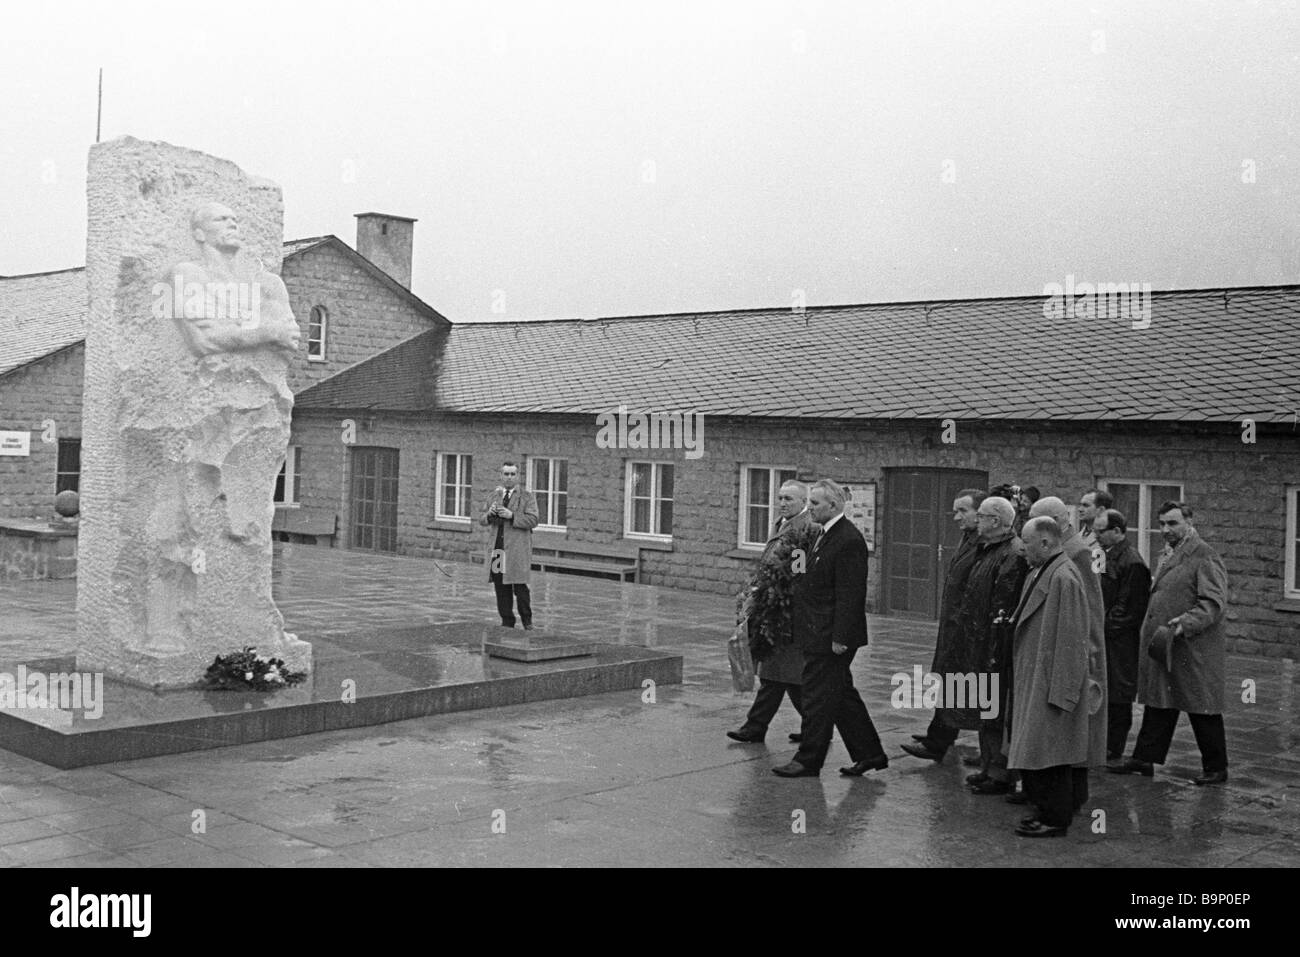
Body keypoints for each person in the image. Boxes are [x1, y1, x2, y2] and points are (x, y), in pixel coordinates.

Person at [773, 480, 888, 778]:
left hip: (830, 636)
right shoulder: (823, 534)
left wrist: (841, 638)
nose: (809, 508)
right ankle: (870, 754)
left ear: (833, 506)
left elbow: (851, 594)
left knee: (816, 697)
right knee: (841, 696)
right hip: (816, 629)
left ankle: (808, 760)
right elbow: (810, 575)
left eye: (814, 504)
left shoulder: (847, 539)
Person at [1110, 502, 1230, 785]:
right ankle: (1144, 757)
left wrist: (1185, 623)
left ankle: (1216, 767)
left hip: (1192, 648)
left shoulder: (1204, 556)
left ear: (1189, 521)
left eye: (1173, 523)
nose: (1165, 530)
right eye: (1162, 523)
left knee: (1202, 707)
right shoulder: (1170, 553)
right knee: (1159, 700)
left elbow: (1213, 604)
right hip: (1167, 644)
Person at [1007, 517, 1093, 838]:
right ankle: (1046, 810)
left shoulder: (1064, 578)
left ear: (1045, 543)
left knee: (1052, 754)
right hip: (1038, 675)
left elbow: (1072, 641)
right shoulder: (1043, 571)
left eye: (1026, 543)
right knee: (1041, 751)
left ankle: (1055, 819)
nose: (1021, 549)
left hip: (1052, 681)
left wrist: (1064, 693)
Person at [1027, 496, 1106, 811]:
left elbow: (1089, 612)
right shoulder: (1065, 550)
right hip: (1065, 650)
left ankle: (1071, 796)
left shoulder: (1076, 554)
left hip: (1078, 654)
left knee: (1071, 729)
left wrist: (1089, 657)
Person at [901, 488, 986, 762]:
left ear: (980, 513)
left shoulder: (983, 543)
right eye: (955, 511)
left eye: (963, 511)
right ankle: (938, 734)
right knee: (947, 680)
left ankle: (939, 741)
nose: (956, 517)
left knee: (958, 684)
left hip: (965, 627)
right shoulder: (969, 538)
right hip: (953, 624)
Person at [728, 480, 813, 744]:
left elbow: (799, 574)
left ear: (803, 503)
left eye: (789, 499)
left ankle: (757, 726)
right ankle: (812, 727)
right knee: (783, 675)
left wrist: (774, 595)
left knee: (779, 672)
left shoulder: (803, 530)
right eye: (780, 498)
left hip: (786, 613)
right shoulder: (782, 524)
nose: (783, 503)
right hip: (773, 608)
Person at [957, 496, 1029, 795]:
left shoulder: (1010, 554)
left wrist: (993, 648)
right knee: (986, 710)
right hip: (979, 642)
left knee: (995, 712)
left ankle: (999, 772)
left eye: (982, 516)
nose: (977, 520)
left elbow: (1002, 605)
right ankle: (988, 766)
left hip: (993, 647)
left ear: (996, 521)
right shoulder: (989, 550)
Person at [1094, 508, 1151, 763]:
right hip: (1105, 635)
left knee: (1118, 694)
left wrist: (1103, 627)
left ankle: (1113, 746)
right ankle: (1103, 742)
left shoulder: (1132, 562)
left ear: (1117, 531)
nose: (1096, 536)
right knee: (1106, 691)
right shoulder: (1104, 555)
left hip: (1119, 642)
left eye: (1101, 531)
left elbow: (1128, 609)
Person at [479, 462, 540, 629]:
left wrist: (512, 515)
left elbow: (533, 520)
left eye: (512, 474)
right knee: (500, 586)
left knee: (520, 586)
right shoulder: (494, 496)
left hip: (517, 550)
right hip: (498, 549)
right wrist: (490, 515)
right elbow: (482, 519)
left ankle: (527, 621)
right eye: (506, 474)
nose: (509, 477)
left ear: (518, 476)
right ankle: (507, 620)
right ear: (501, 475)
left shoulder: (527, 497)